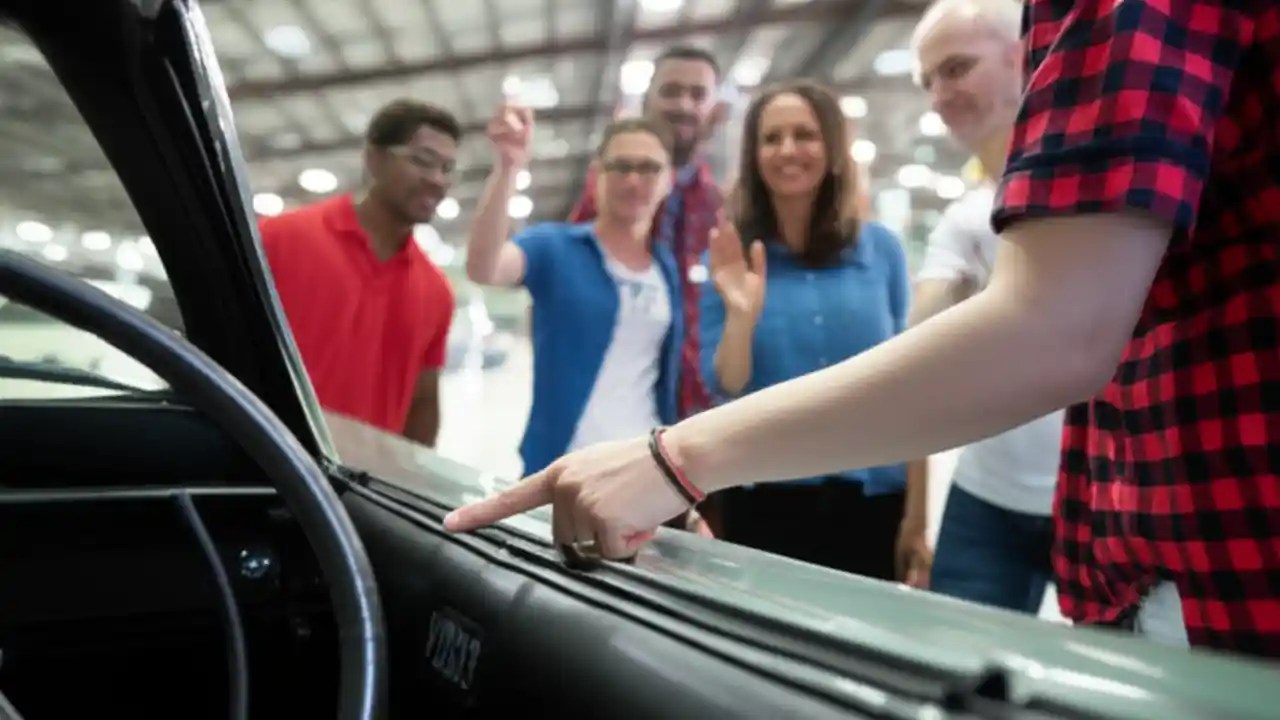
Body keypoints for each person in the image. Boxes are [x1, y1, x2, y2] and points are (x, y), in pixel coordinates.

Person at [447, 0, 1280, 658]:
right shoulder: (675, 248)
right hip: (805, 488)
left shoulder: (882, 244)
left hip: (1215, 559)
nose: (788, 151)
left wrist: (677, 455)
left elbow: (1047, 328)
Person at [465, 105, 710, 537]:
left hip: (643, 474)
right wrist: (506, 169)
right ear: (598, 175)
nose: (633, 179)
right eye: (620, 166)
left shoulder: (665, 269)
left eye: (648, 168)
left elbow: (661, 381)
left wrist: (683, 496)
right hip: (568, 472)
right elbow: (485, 268)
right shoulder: (555, 248)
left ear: (668, 180)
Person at [700, 80, 910, 579]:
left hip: (873, 499)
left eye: (805, 135)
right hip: (766, 497)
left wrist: (919, 521)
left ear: (833, 149)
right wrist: (741, 316)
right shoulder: (732, 259)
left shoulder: (881, 250)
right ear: (754, 156)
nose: (788, 150)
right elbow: (728, 384)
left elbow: (908, 388)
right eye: (771, 139)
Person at [900, 0, 1063, 614]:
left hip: (1100, 491)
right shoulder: (964, 219)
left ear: (1022, 52)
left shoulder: (1099, 182)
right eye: (927, 80)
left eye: (956, 69)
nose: (938, 95)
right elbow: (914, 353)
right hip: (987, 495)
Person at [259, 99, 457, 446]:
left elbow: (423, 404)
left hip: (357, 491)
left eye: (447, 167)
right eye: (423, 161)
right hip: (263, 463)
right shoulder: (279, 239)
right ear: (374, 158)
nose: (437, 180)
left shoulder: (436, 292)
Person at [568, 44, 726, 421]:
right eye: (671, 91)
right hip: (607, 410)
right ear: (648, 98)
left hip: (695, 413)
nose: (684, 105)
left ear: (714, 109)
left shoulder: (718, 206)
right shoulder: (605, 191)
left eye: (697, 94)